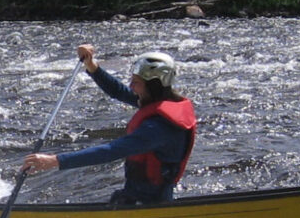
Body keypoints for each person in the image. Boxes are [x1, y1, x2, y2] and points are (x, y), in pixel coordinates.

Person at [22, 45, 196, 204]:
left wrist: (55, 161)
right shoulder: (155, 100)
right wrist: (92, 66)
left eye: (136, 82)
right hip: (140, 195)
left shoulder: (158, 128)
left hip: (151, 201)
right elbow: (118, 91)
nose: (131, 86)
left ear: (154, 85)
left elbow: (111, 151)